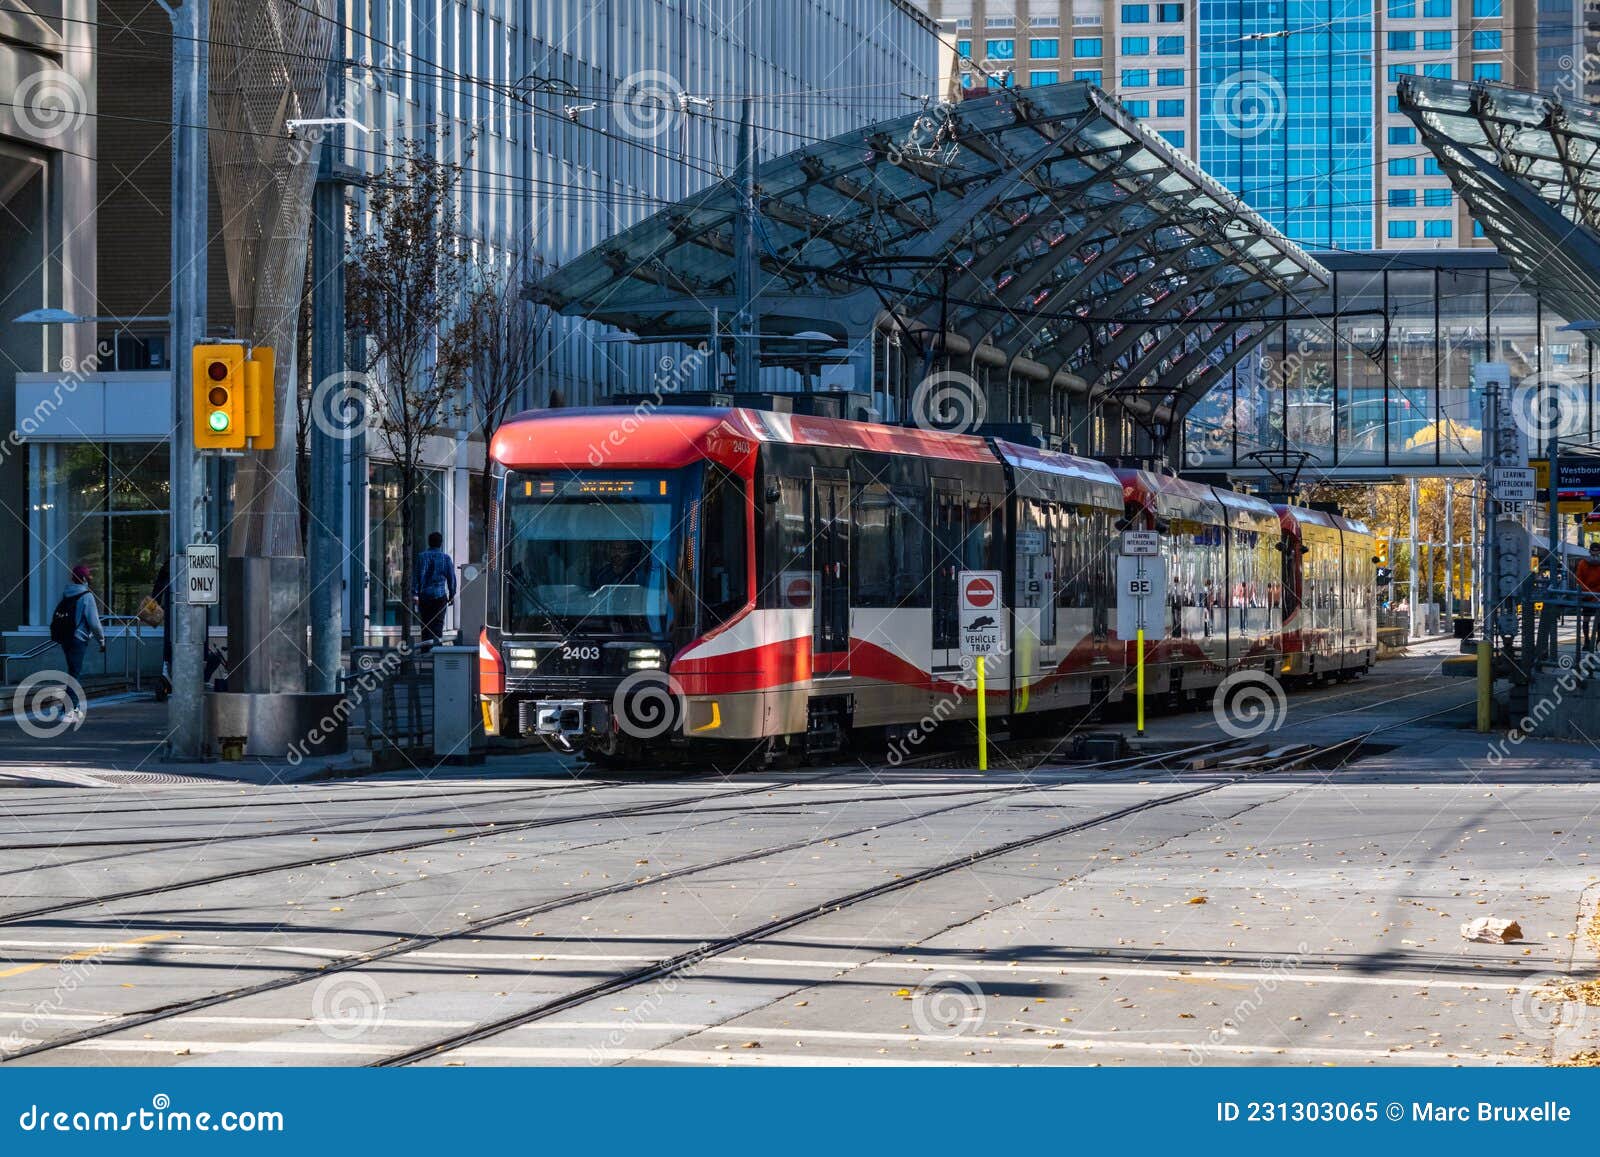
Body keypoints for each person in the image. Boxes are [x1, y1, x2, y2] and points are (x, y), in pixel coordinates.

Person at [49, 563, 104, 723]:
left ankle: (75, 707)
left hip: (65, 638)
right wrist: (101, 639)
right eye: (89, 576)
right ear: (85, 579)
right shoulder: (87, 596)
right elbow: (94, 623)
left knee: (73, 671)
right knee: (74, 674)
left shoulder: (67, 594)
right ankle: (68, 710)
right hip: (78, 639)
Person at [413, 531, 456, 646]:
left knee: (425, 625)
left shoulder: (421, 557)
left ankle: (425, 650)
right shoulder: (445, 558)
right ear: (440, 543)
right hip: (440, 596)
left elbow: (416, 576)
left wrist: (415, 594)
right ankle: (436, 652)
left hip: (424, 596)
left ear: (429, 542)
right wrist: (452, 594)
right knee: (438, 626)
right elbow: (451, 578)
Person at [1574, 541, 1600, 649]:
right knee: (1598, 619)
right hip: (1598, 595)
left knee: (1586, 619)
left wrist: (1586, 591)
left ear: (1589, 551)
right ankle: (1597, 641)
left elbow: (1578, 580)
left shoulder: (1582, 563)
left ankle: (1586, 641)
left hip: (1586, 595)